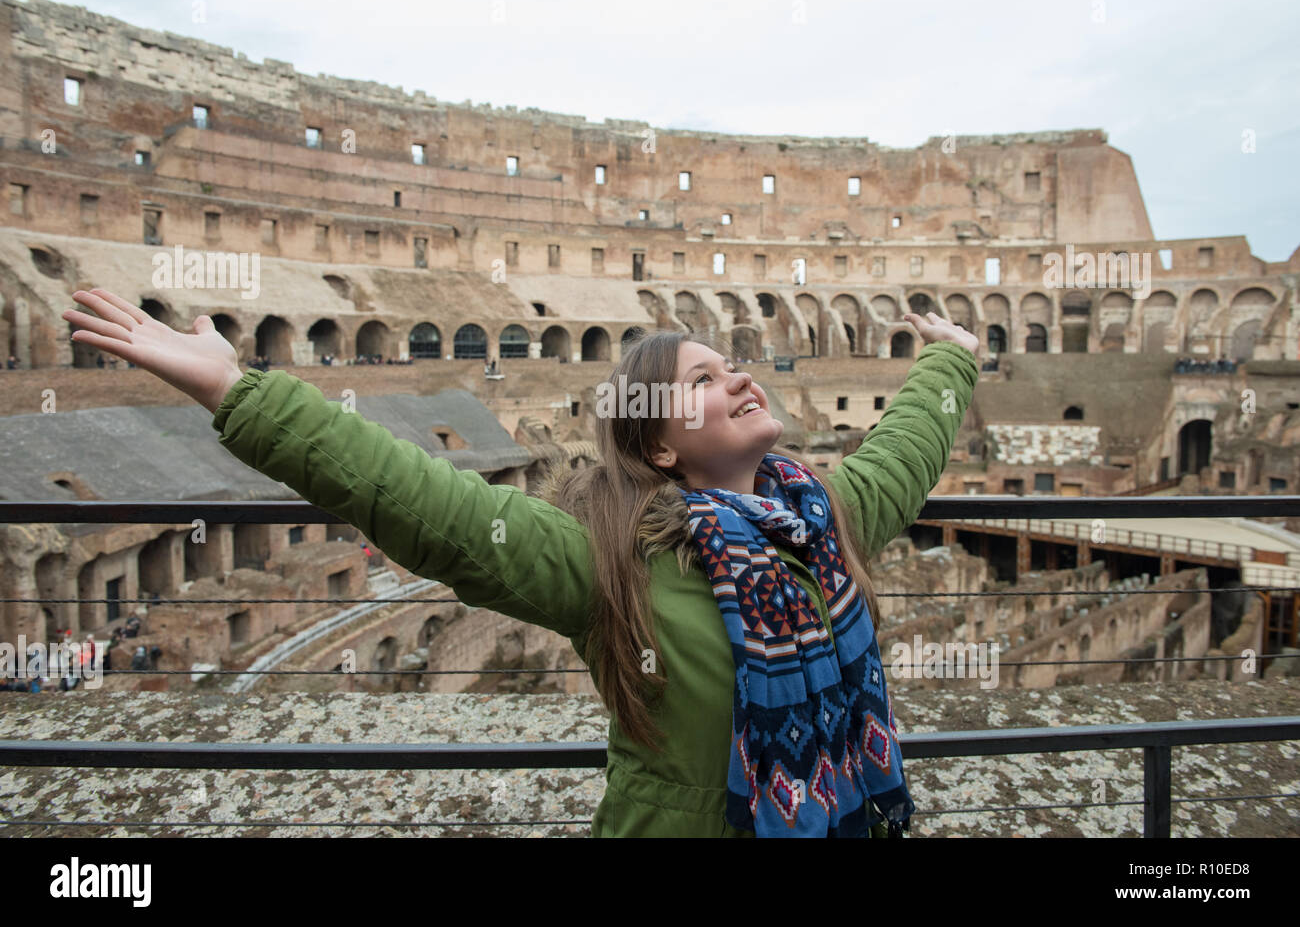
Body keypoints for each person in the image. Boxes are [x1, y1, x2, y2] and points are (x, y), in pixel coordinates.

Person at [60, 287, 979, 837]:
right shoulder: (602, 557)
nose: (741, 376)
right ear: (659, 447)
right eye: (702, 379)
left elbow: (902, 451)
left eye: (733, 365)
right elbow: (428, 504)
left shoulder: (821, 517)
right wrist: (238, 389)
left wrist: (951, 363)